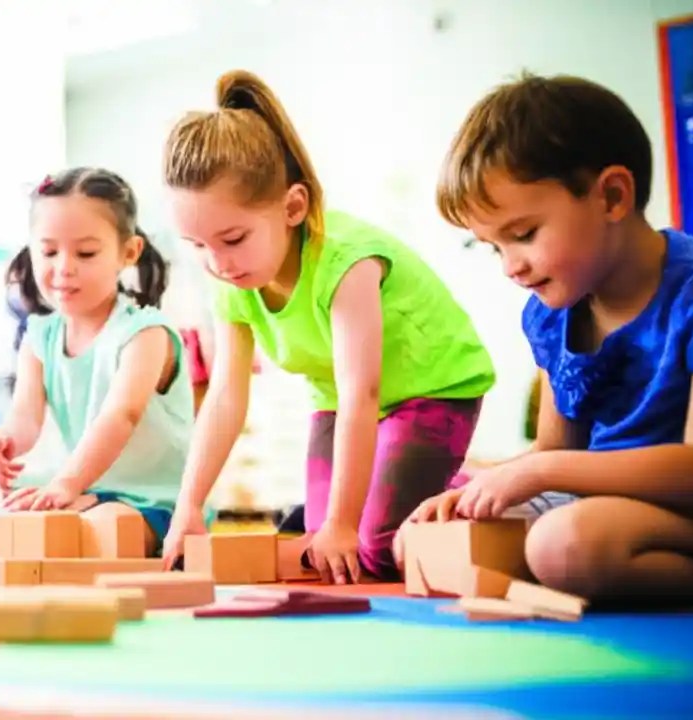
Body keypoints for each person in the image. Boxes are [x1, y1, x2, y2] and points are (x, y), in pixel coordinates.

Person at [161, 69, 495, 583]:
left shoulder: (345, 262)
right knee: (326, 553)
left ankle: (465, 490)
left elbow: (363, 391)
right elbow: (227, 396)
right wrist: (189, 506)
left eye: (232, 238)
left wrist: (344, 521)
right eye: (198, 245)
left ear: (292, 207)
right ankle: (405, 496)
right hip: (341, 403)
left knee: (372, 550)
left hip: (432, 389)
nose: (218, 262)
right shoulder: (229, 278)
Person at [400, 73, 693, 604]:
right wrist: (467, 492)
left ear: (611, 196)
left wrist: (538, 471)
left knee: (564, 546)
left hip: (678, 510)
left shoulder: (690, 297)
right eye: (493, 247)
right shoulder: (550, 314)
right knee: (423, 539)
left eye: (523, 235)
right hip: (609, 509)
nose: (511, 266)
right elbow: (556, 449)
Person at [0, 167, 193, 557]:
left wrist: (66, 483)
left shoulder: (145, 333)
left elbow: (120, 416)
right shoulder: (40, 335)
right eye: (49, 251)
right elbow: (26, 416)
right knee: (18, 528)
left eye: (86, 253)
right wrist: (5, 439)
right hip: (88, 494)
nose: (63, 267)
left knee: (101, 532)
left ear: (129, 253)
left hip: (158, 505)